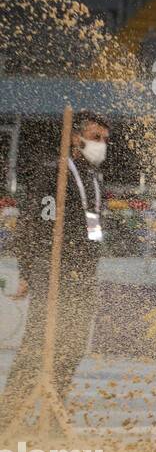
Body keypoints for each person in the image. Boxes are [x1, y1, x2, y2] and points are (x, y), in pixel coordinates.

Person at [0, 112, 111, 423]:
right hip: (53, 270)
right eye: (94, 137)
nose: (101, 145)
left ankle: (51, 415)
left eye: (104, 140)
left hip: (83, 275)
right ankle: (8, 417)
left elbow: (93, 225)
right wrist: (26, 271)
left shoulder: (94, 178)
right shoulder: (55, 173)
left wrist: (93, 256)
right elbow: (29, 227)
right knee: (38, 345)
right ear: (76, 138)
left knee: (72, 346)